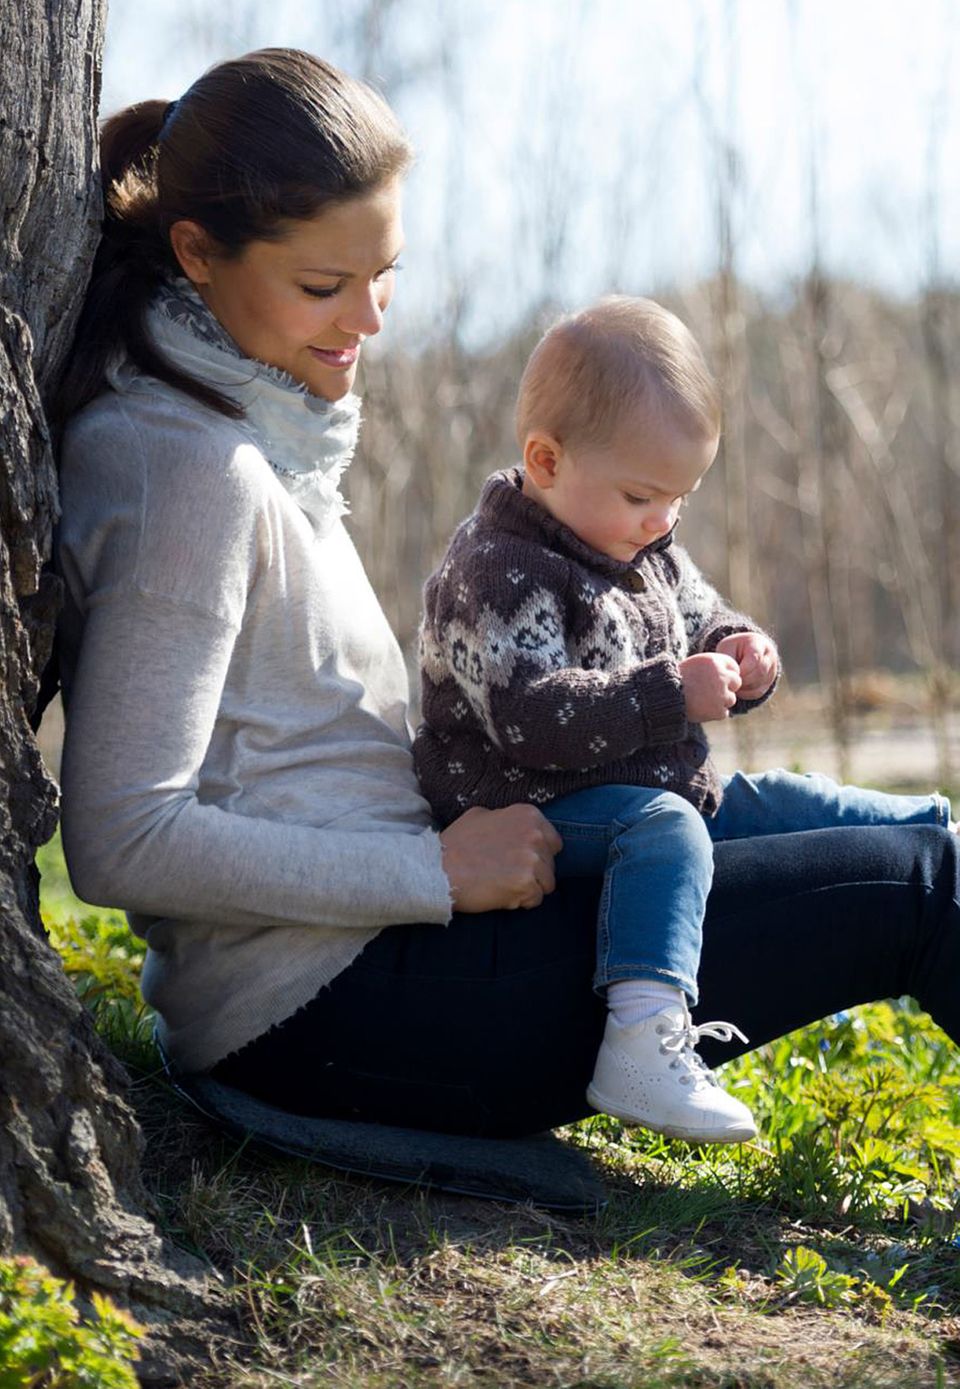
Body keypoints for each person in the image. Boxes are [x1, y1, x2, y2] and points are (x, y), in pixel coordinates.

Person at [54, 48, 960, 1148]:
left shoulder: (253, 434)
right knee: (925, 884)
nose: (371, 319)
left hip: (386, 961)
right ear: (196, 253)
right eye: (322, 287)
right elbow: (121, 840)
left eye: (383, 271)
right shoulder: (186, 471)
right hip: (332, 1010)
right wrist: (430, 870)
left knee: (855, 843)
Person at [413, 296, 953, 1142]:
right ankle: (642, 1039)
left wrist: (741, 648)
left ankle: (937, 833)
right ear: (546, 460)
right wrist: (670, 693)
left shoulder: (642, 541)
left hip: (644, 778)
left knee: (784, 800)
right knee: (664, 829)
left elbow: (702, 615)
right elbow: (528, 717)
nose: (663, 519)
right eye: (642, 494)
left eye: (679, 499)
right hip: (532, 800)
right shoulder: (499, 567)